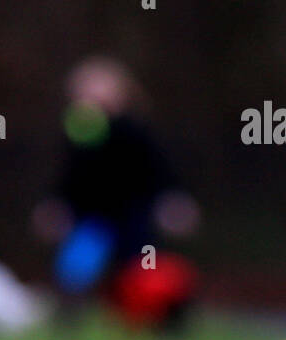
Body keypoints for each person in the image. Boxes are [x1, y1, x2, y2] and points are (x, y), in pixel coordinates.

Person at [34, 57, 200, 326]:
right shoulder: (78, 135)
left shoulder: (137, 132)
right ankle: (67, 321)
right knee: (75, 268)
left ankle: (156, 320)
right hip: (92, 219)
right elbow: (67, 180)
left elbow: (160, 173)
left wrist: (173, 202)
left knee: (143, 273)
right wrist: (56, 206)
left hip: (133, 217)